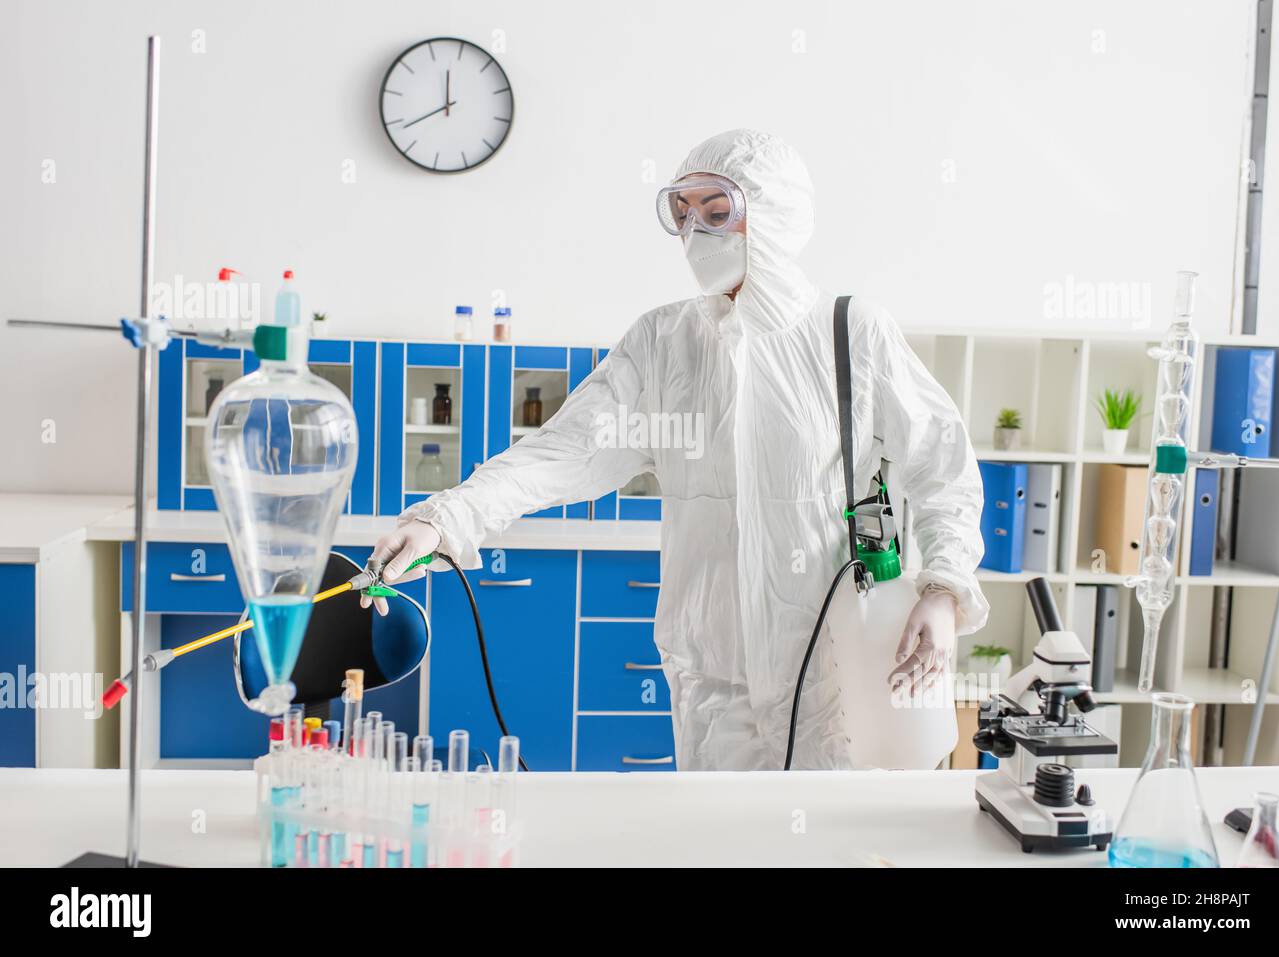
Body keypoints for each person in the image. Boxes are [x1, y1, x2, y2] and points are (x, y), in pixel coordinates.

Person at [363, 129, 988, 770]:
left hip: (835, 676)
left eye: (718, 213)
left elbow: (943, 469)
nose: (697, 233)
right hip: (714, 686)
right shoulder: (666, 342)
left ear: (773, 215)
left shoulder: (850, 332)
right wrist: (445, 519)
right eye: (683, 213)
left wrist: (943, 590)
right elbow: (564, 452)